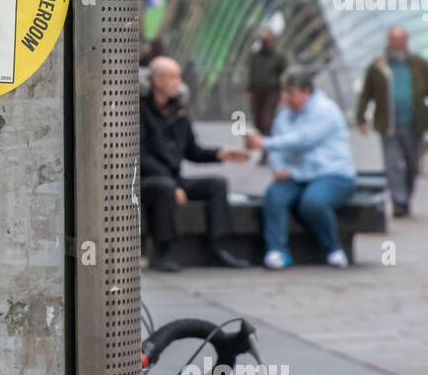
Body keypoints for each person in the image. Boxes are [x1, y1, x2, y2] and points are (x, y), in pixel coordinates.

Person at [140, 56, 250, 273]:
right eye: (173, 77)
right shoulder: (139, 109)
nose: (178, 83)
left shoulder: (179, 111)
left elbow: (192, 150)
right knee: (165, 188)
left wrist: (221, 154)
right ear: (157, 80)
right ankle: (165, 252)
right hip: (149, 180)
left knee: (216, 184)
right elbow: (141, 155)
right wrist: (174, 184)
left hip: (173, 179)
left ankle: (218, 247)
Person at [246, 68, 355, 269]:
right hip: (296, 175)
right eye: (284, 92)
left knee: (313, 203)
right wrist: (278, 167)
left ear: (306, 92)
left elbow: (304, 140)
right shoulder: (284, 115)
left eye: (291, 93)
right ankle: (276, 251)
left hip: (330, 174)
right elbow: (280, 149)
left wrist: (263, 142)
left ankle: (333, 248)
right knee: (274, 196)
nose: (286, 98)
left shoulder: (325, 110)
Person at [355, 27, 428, 218]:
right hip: (388, 124)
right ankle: (399, 201)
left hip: (414, 124)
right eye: (394, 39)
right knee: (393, 163)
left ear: (406, 41)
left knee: (412, 164)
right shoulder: (378, 67)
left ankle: (406, 197)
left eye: (400, 39)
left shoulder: (419, 65)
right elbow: (366, 94)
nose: (397, 43)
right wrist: (360, 117)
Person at [247, 27, 286, 139]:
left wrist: (283, 92)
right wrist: (249, 90)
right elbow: (251, 72)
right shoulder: (255, 56)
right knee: (258, 120)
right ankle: (263, 143)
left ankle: (269, 146)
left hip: (271, 92)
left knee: (267, 120)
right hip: (257, 92)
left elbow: (283, 74)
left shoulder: (278, 56)